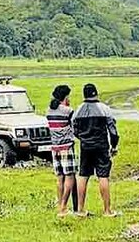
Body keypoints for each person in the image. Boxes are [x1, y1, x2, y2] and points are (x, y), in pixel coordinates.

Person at [72, 83, 119, 217]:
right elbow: (113, 131)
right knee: (103, 176)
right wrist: (114, 146)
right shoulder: (104, 109)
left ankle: (80, 210)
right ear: (96, 93)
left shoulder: (78, 110)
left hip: (85, 147)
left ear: (84, 95)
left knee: (83, 176)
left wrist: (83, 138)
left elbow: (74, 129)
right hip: (101, 146)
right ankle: (107, 210)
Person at [47, 85, 77, 217]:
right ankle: (64, 206)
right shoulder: (68, 111)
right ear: (65, 97)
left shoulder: (48, 111)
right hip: (66, 147)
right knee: (69, 177)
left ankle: (60, 205)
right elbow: (74, 127)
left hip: (55, 148)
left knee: (59, 179)